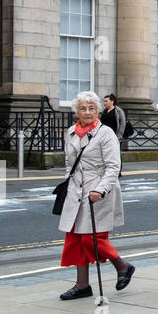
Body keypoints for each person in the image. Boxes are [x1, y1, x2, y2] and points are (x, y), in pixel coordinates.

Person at [57, 91, 135, 299]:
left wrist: (100, 189)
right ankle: (82, 285)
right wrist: (68, 182)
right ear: (76, 112)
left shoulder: (106, 133)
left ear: (98, 110)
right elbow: (69, 162)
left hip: (98, 190)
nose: (87, 112)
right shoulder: (71, 131)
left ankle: (123, 266)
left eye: (92, 108)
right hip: (76, 190)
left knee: (93, 239)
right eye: (83, 108)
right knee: (75, 239)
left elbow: (113, 166)